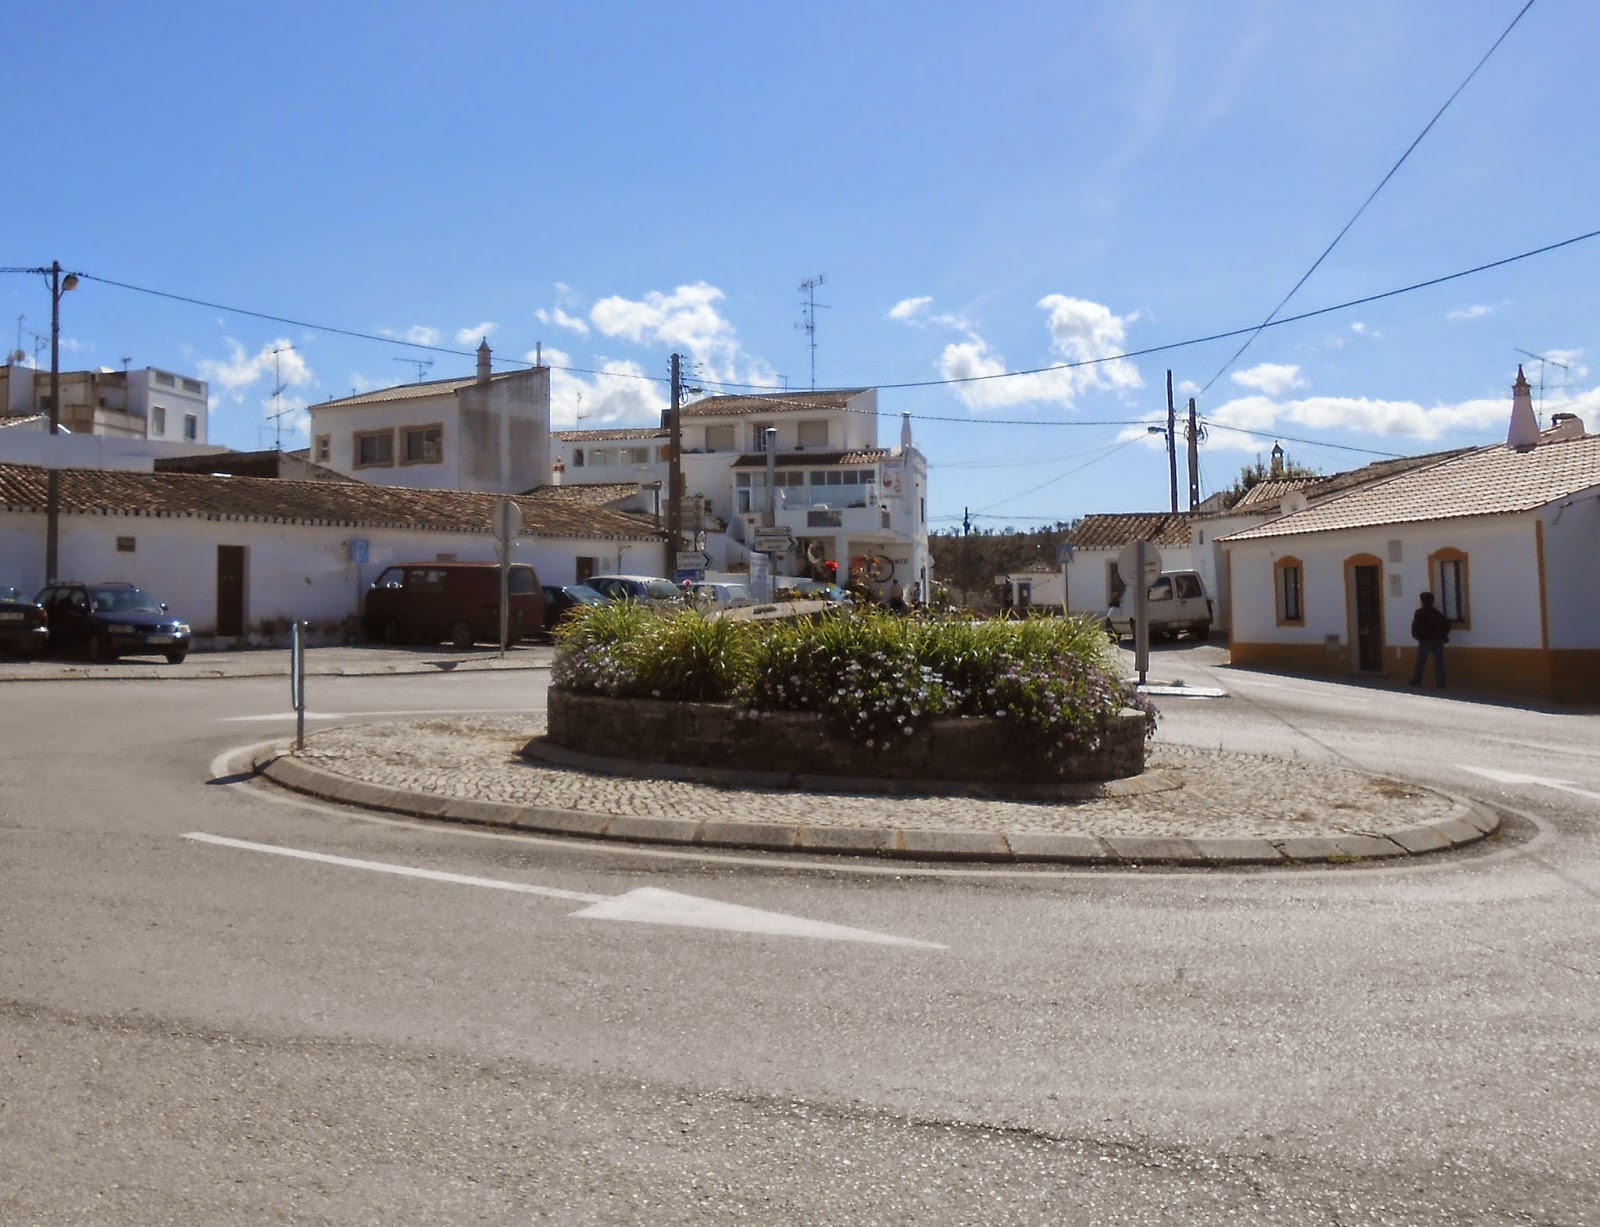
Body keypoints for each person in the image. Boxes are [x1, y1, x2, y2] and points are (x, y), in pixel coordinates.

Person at [1409, 591, 1452, 688]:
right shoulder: (1437, 613)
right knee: (1439, 664)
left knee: (1420, 662)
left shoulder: (1419, 613)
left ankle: (1417, 681)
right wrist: (1443, 636)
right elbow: (1447, 623)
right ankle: (1441, 684)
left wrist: (1417, 636)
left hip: (1425, 641)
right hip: (1437, 641)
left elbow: (1415, 627)